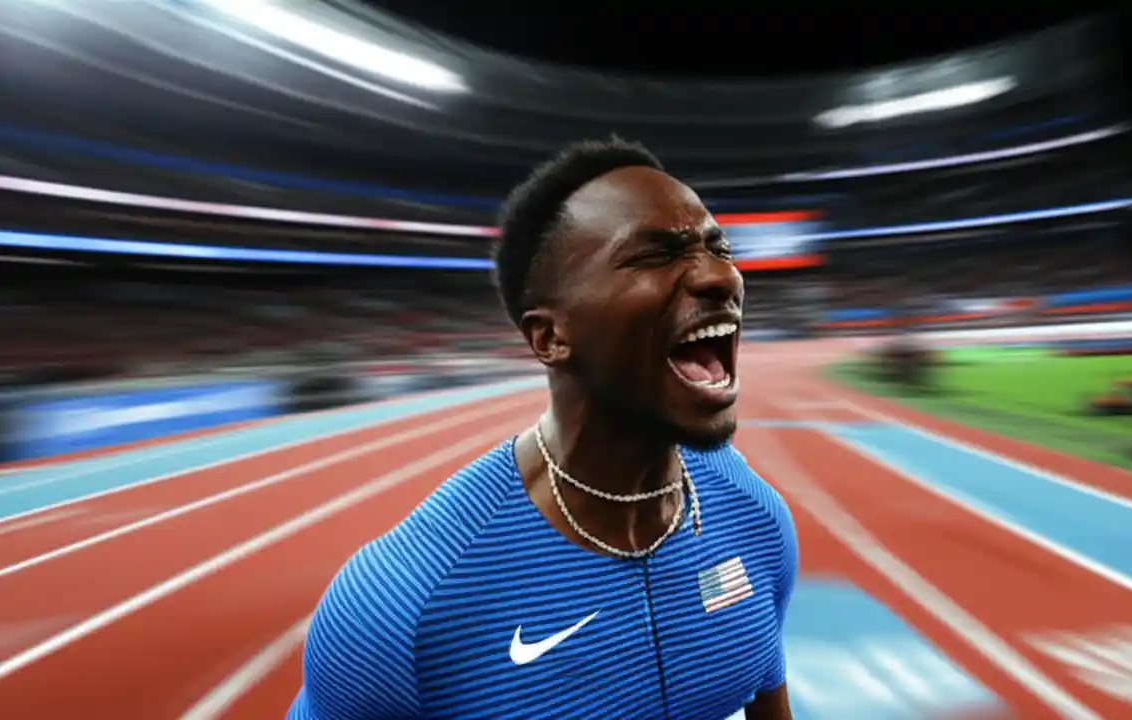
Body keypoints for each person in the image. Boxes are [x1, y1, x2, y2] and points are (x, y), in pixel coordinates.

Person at [287, 137, 799, 720]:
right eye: (655, 256)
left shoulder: (756, 520)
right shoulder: (403, 605)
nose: (720, 276)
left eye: (718, 247)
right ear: (550, 338)